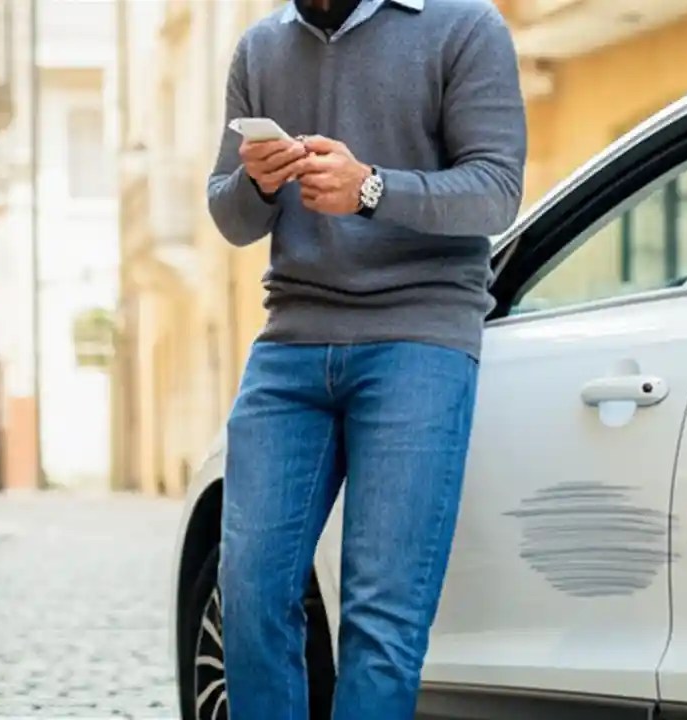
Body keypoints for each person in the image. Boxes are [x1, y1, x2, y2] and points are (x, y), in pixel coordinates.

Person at [206, 0, 527, 717]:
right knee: (251, 591)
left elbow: (496, 192)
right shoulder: (260, 48)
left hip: (418, 339)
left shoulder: (466, 28)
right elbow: (228, 215)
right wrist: (257, 184)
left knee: (382, 616)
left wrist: (372, 188)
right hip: (291, 344)